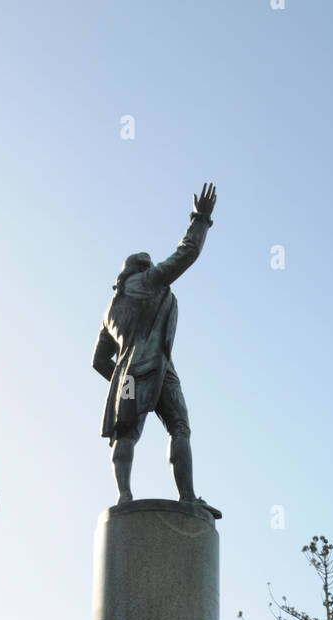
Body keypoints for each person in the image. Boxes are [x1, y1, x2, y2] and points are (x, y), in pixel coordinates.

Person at [92, 182, 220, 515]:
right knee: (179, 427)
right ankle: (188, 497)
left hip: (129, 377)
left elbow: (98, 360)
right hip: (158, 370)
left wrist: (120, 380)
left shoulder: (109, 310)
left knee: (126, 434)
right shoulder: (148, 283)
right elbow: (186, 253)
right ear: (141, 270)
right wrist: (201, 218)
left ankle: (124, 495)